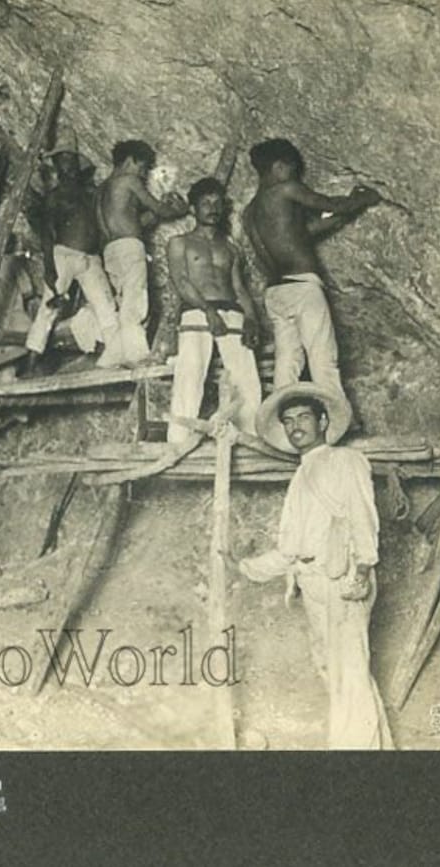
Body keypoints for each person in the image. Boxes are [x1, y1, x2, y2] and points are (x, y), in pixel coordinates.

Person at [240, 383, 394, 750]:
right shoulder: (301, 475)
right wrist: (246, 566)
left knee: (349, 672)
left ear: (323, 421)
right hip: (313, 584)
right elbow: (292, 549)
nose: (296, 427)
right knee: (335, 670)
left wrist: (363, 570)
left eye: (304, 417)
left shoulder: (345, 460)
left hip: (341, 578)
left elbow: (362, 516)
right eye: (289, 421)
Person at [240, 138, 382, 414]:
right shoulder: (286, 189)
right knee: (323, 359)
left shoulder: (250, 211)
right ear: (280, 167)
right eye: (293, 170)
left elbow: (299, 234)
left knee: (287, 364)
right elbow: (328, 203)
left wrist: (341, 217)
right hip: (303, 286)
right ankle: (339, 422)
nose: (295, 177)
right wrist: (361, 198)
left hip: (276, 293)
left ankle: (283, 424)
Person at [165, 177, 264, 444]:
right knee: (190, 375)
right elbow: (181, 280)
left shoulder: (231, 248)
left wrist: (251, 318)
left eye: (218, 203)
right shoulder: (179, 243)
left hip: (232, 313)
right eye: (206, 203)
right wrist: (207, 310)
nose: (213, 208)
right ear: (194, 209)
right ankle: (178, 442)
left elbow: (239, 288)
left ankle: (250, 439)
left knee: (247, 380)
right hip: (197, 312)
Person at [95, 139, 189, 366]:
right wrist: (179, 208)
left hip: (110, 250)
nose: (143, 173)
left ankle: (111, 357)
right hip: (129, 247)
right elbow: (157, 209)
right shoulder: (129, 180)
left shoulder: (102, 189)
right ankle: (137, 354)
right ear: (130, 160)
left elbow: (133, 221)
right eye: (143, 167)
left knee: (123, 301)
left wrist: (158, 214)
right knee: (135, 301)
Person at [24, 150, 115, 368]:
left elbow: (100, 227)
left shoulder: (90, 194)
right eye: (63, 162)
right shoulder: (55, 196)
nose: (69, 166)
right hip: (63, 255)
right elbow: (47, 232)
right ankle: (30, 363)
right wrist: (48, 266)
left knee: (107, 307)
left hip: (91, 259)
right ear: (56, 166)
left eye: (72, 161)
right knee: (49, 308)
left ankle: (116, 356)